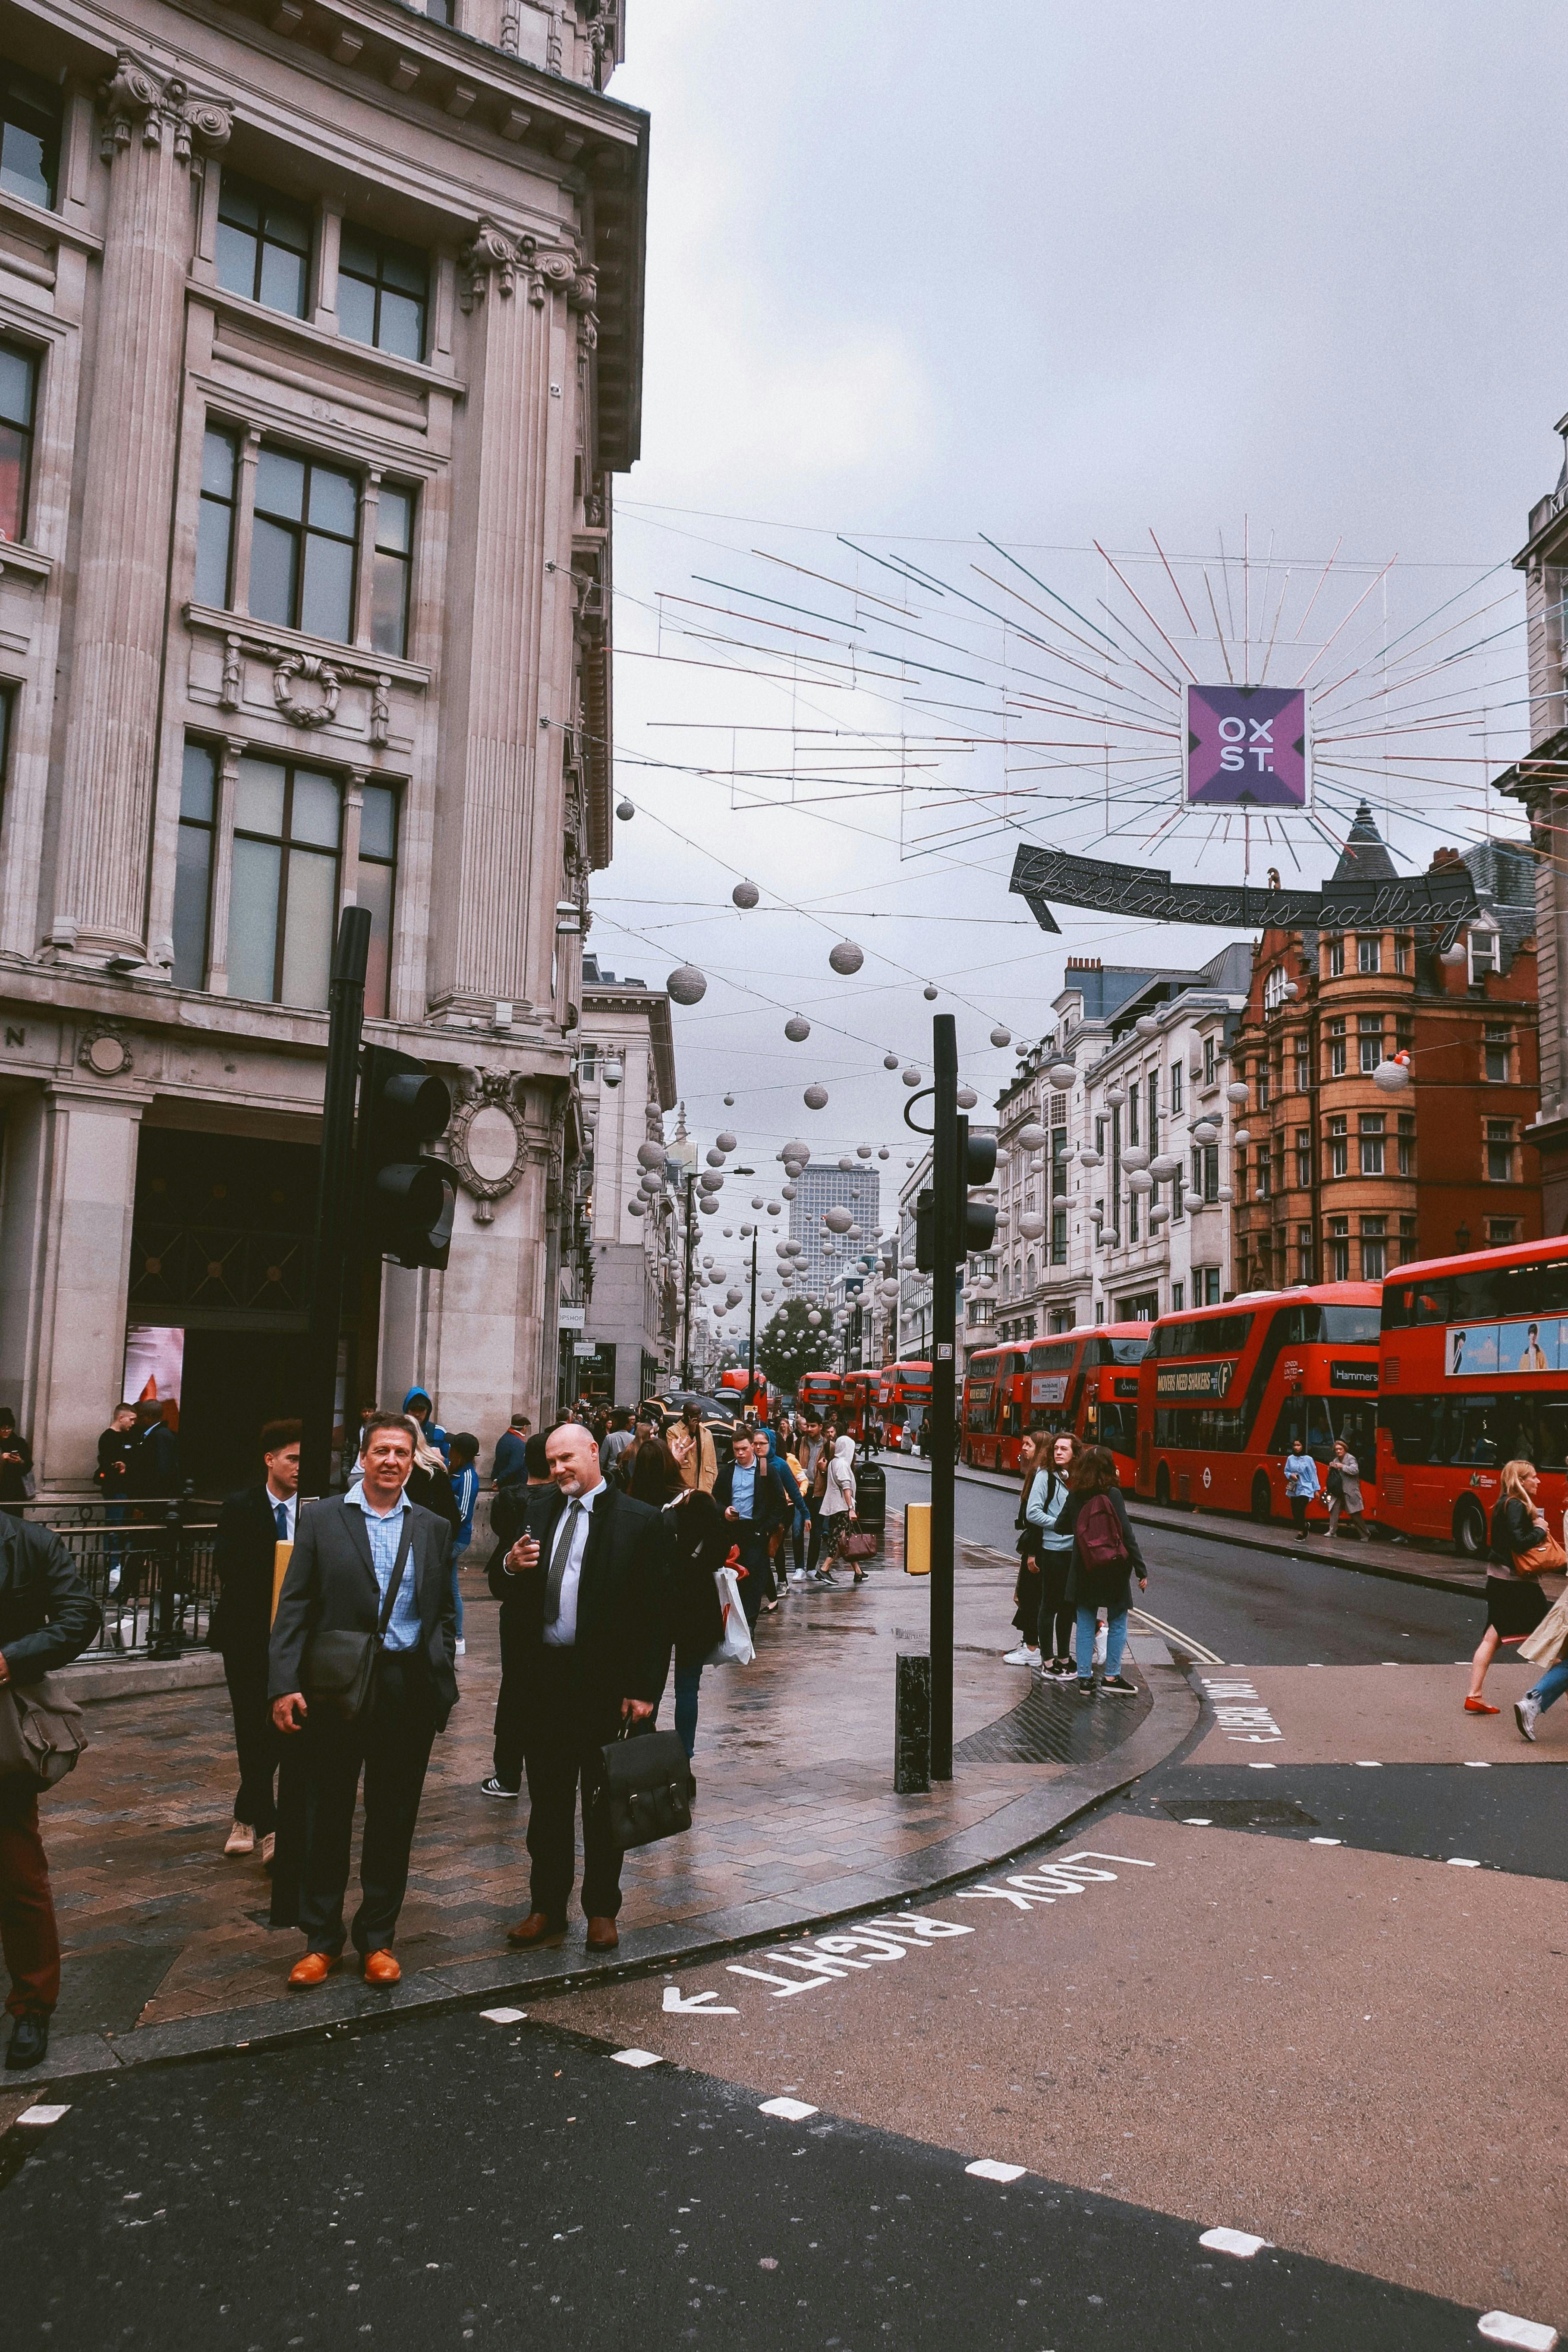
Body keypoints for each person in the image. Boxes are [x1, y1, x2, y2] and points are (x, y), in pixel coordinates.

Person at [269, 1413, 457, 1988]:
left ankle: (378, 1937)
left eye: (402, 1452)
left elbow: (442, 1610)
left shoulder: (431, 1526)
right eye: (381, 1451)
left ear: (413, 1460)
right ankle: (321, 1939)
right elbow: (294, 1606)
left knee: (393, 1817)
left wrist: (441, 1668)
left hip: (406, 1686)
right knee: (327, 1812)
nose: (391, 1461)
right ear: (363, 1457)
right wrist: (283, 1682)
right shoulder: (323, 1518)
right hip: (337, 1687)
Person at [490, 1420, 665, 1955]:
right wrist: (509, 1565)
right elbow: (500, 1582)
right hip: (543, 1680)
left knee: (602, 1801)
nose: (559, 1469)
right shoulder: (535, 1509)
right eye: (551, 1461)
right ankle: (546, 1906)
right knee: (547, 1802)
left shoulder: (639, 1521)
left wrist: (643, 1689)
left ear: (593, 1452)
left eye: (567, 1458)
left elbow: (656, 1615)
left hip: (604, 1685)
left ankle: (601, 1910)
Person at [0, 1513, 101, 2069]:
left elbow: (79, 1614)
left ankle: (33, 2006)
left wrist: (11, 1659)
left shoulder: (29, 1542)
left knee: (17, 1872)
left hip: (1, 1727)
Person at [211, 1418, 301, 1864]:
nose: (299, 1468)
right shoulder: (240, 1506)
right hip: (246, 1635)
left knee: (285, 1728)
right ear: (270, 1459)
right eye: (292, 1459)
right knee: (251, 1725)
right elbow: (229, 1568)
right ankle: (267, 1825)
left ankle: (246, 1814)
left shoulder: (317, 1511)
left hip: (296, 1638)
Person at [481, 1429, 554, 1800]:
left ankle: (508, 1772)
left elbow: (499, 1535)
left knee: (514, 1689)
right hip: (546, 1609)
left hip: (519, 1611)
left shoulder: (511, 1499)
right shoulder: (560, 1502)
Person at [1466, 1458, 1555, 1716]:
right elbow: (1519, 1542)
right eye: (1533, 1476)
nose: (1538, 1480)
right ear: (1521, 1481)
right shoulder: (1516, 1504)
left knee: (1492, 1637)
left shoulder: (1503, 1503)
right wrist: (1540, 1529)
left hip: (1499, 1579)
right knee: (1553, 1639)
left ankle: (1474, 1695)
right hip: (1517, 1584)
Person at [1062, 1444, 1147, 1698]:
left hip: (1085, 1567)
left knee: (1085, 1622)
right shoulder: (1113, 1494)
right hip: (1113, 1568)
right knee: (1118, 1620)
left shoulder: (1075, 1495)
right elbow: (1127, 1534)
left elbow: (1059, 1526)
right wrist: (1141, 1568)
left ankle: (1085, 1680)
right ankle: (1111, 1676)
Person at [655, 1475, 729, 1762]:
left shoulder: (641, 1504)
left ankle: (642, 1746)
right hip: (696, 1605)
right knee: (687, 1688)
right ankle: (684, 1754)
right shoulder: (699, 1503)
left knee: (650, 1686)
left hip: (658, 1605)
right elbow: (720, 1550)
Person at [714, 1427, 789, 1626]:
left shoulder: (766, 1471)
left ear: (753, 1447)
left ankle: (750, 1622)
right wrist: (725, 1511)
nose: (740, 1453)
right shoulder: (728, 1471)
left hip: (756, 1530)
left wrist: (766, 1528)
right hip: (733, 1530)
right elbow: (716, 1499)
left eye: (744, 1449)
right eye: (736, 1449)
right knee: (733, 1575)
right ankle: (733, 1621)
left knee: (754, 1576)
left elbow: (780, 1503)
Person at [1005, 1436, 1045, 1667]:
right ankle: (1030, 1644)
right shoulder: (1035, 1473)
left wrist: (1033, 1552)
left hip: (1036, 1547)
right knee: (1032, 1597)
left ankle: (1032, 1648)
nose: (1023, 1448)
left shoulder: (1041, 1476)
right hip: (1033, 1544)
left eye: (1029, 1444)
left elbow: (1036, 1519)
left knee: (1032, 1597)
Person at [751, 1429, 801, 1607]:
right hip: (763, 1512)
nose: (758, 1447)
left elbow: (795, 1488)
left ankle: (782, 1581)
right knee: (764, 1547)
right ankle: (767, 1583)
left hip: (783, 1510)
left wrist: (805, 1513)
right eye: (755, 1444)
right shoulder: (755, 1463)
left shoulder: (782, 1463)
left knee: (776, 1545)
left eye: (762, 1444)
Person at [447, 1433, 480, 1659]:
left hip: (456, 1539)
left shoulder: (468, 1476)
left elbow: (463, 1514)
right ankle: (456, 1635)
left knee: (451, 1588)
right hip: (450, 1536)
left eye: (452, 1448)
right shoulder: (456, 1471)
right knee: (450, 1585)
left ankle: (458, 1636)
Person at [817, 1434, 858, 1582]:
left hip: (835, 1507)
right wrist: (851, 1508)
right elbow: (846, 1488)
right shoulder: (842, 1464)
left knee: (847, 1539)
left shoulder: (834, 1462)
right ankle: (824, 1569)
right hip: (842, 1508)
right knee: (840, 1540)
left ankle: (858, 1571)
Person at [126, 1402, 179, 1502]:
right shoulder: (151, 1435)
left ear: (149, 1418)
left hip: (155, 1497)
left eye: (139, 1417)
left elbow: (162, 1469)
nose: (136, 1422)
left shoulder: (161, 1435)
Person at [670, 1400, 717, 1494]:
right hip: (685, 1484)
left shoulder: (707, 1433)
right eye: (696, 1415)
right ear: (688, 1416)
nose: (699, 1417)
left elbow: (713, 1462)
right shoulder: (673, 1432)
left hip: (705, 1484)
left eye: (700, 1414)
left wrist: (715, 1483)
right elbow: (676, 1455)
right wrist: (691, 1433)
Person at [1326, 1438, 1368, 1542]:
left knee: (1355, 1514)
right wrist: (1331, 1468)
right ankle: (1332, 1531)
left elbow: (1355, 1471)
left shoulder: (1351, 1459)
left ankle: (1365, 1534)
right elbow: (1333, 1475)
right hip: (1338, 1490)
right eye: (1336, 1450)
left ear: (1345, 1449)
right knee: (1334, 1509)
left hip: (1350, 1491)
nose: (1338, 1451)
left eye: (1340, 1449)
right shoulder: (1336, 1460)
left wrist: (1343, 1466)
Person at [1283, 1438, 1320, 1540]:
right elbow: (1286, 1471)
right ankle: (1304, 1526)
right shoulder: (1290, 1459)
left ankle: (1301, 1532)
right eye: (1295, 1445)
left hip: (1306, 1487)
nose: (1296, 1448)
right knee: (1295, 1510)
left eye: (1299, 1445)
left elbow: (1313, 1474)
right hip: (1294, 1487)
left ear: (1303, 1446)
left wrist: (1316, 1490)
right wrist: (1291, 1475)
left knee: (1300, 1509)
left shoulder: (1308, 1459)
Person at [403, 1386, 450, 1465]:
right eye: (413, 1409)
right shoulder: (399, 1432)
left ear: (427, 1412)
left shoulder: (439, 1432)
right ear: (407, 1410)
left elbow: (453, 1464)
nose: (417, 1414)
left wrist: (442, 1460)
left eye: (421, 1410)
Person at [0, 1411, 32, 1516]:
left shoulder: (19, 1443)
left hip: (15, 1490)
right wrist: (1, 1459)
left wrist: (20, 1461)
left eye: (9, 1428)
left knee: (15, 1519)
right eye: (3, 1428)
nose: (6, 1431)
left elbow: (29, 1465)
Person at [491, 1414, 532, 1486]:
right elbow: (515, 1466)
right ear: (524, 1427)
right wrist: (499, 1480)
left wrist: (497, 1479)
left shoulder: (504, 1438)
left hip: (506, 1483)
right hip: (515, 1485)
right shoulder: (519, 1443)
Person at [599, 1408, 636, 1483]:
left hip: (612, 1472)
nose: (632, 1426)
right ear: (626, 1425)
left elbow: (602, 1458)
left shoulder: (610, 1438)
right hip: (628, 1473)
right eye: (630, 1424)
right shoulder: (633, 1438)